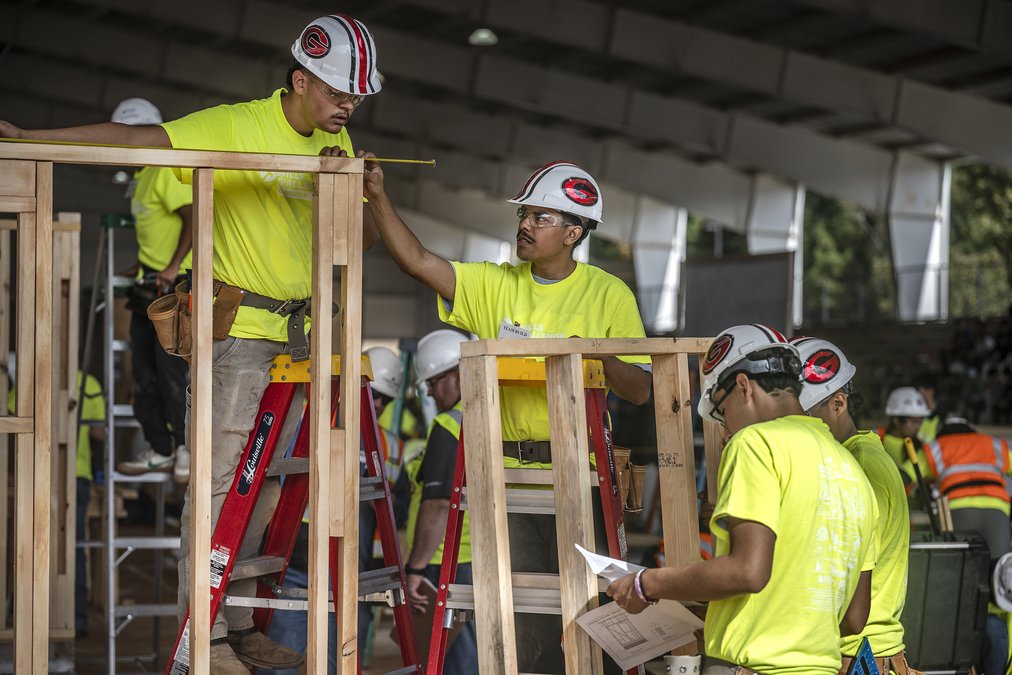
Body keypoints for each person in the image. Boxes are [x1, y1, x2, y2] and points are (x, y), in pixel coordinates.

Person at [1, 14, 381, 672]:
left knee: (260, 494)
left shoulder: (338, 144)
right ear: (299, 80)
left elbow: (363, 242)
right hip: (240, 339)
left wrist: (357, 192)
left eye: (356, 98)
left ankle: (234, 626)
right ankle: (200, 641)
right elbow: (135, 138)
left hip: (301, 339)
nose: (349, 106)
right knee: (216, 488)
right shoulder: (236, 125)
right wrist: (34, 136)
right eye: (338, 93)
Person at [361, 159, 652, 672]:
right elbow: (418, 261)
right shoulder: (496, 285)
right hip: (514, 485)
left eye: (541, 217)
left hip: (582, 479)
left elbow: (642, 389)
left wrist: (595, 355)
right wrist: (378, 195)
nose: (525, 225)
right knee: (529, 628)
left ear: (574, 231)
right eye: (524, 214)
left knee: (602, 618)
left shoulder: (608, 294)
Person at [608, 324, 877, 675]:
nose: (725, 429)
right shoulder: (851, 469)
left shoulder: (756, 444)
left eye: (721, 412)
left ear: (743, 386)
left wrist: (648, 584)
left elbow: (748, 571)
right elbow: (854, 617)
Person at [791, 337, 917, 675]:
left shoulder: (859, 469)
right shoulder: (849, 460)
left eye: (803, 415)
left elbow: (849, 600)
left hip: (856, 655)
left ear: (838, 404)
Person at [108, 98, 193, 484]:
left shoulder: (164, 171)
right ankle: (162, 449)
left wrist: (173, 266)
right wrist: (140, 268)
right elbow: (158, 240)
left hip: (175, 289)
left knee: (172, 372)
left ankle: (186, 451)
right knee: (144, 374)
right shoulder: (142, 178)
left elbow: (194, 217)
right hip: (150, 287)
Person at [401, 329, 477, 673]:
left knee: (450, 661)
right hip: (474, 559)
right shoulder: (490, 418)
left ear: (458, 375)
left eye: (433, 381)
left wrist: (415, 569)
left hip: (446, 562)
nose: (429, 391)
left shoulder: (449, 425)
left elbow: (436, 506)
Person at [917, 416, 1012, 674]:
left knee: (963, 588)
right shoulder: (992, 444)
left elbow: (907, 475)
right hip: (997, 510)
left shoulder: (935, 447)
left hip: (958, 509)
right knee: (1000, 590)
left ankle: (960, 660)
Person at [878, 386, 931, 468]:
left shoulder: (921, 446)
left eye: (920, 422)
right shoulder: (877, 442)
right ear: (896, 421)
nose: (918, 426)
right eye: (913, 422)